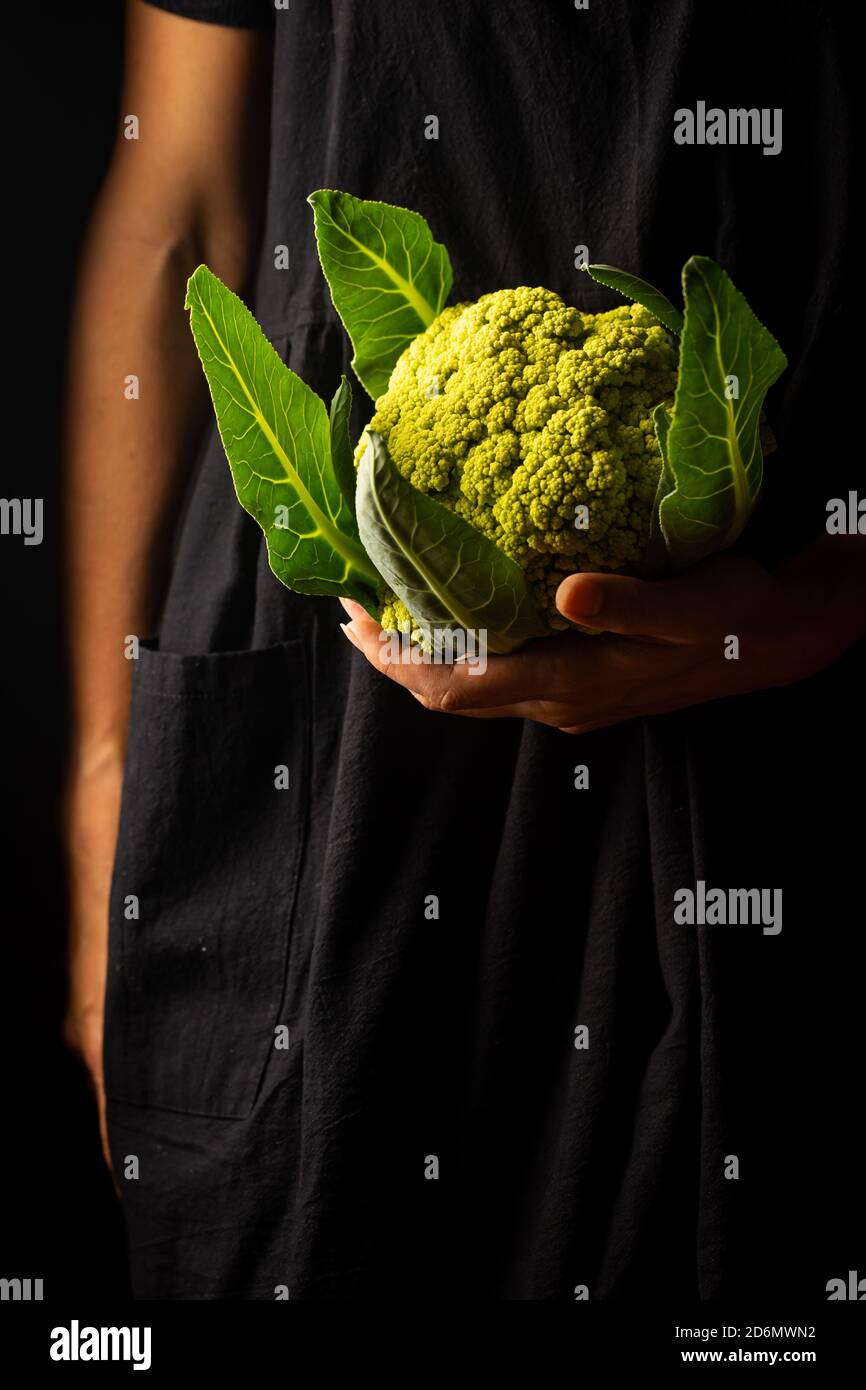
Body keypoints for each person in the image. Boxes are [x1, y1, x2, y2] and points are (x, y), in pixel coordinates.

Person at [64, 0, 862, 1300]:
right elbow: (181, 205)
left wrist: (833, 592)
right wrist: (103, 792)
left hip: (791, 732)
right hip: (325, 713)